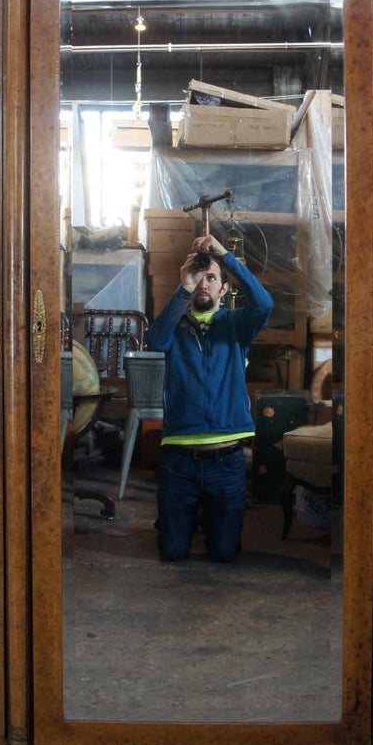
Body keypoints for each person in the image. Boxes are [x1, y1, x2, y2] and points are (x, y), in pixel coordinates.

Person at [145, 233, 273, 562]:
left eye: (212, 278)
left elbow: (264, 304)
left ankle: (204, 521)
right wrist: (184, 286)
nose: (205, 283)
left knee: (224, 553)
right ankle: (177, 520)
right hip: (178, 463)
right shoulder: (173, 324)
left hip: (226, 462)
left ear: (223, 289)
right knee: (172, 552)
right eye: (200, 277)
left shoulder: (236, 325)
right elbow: (156, 342)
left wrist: (226, 257)